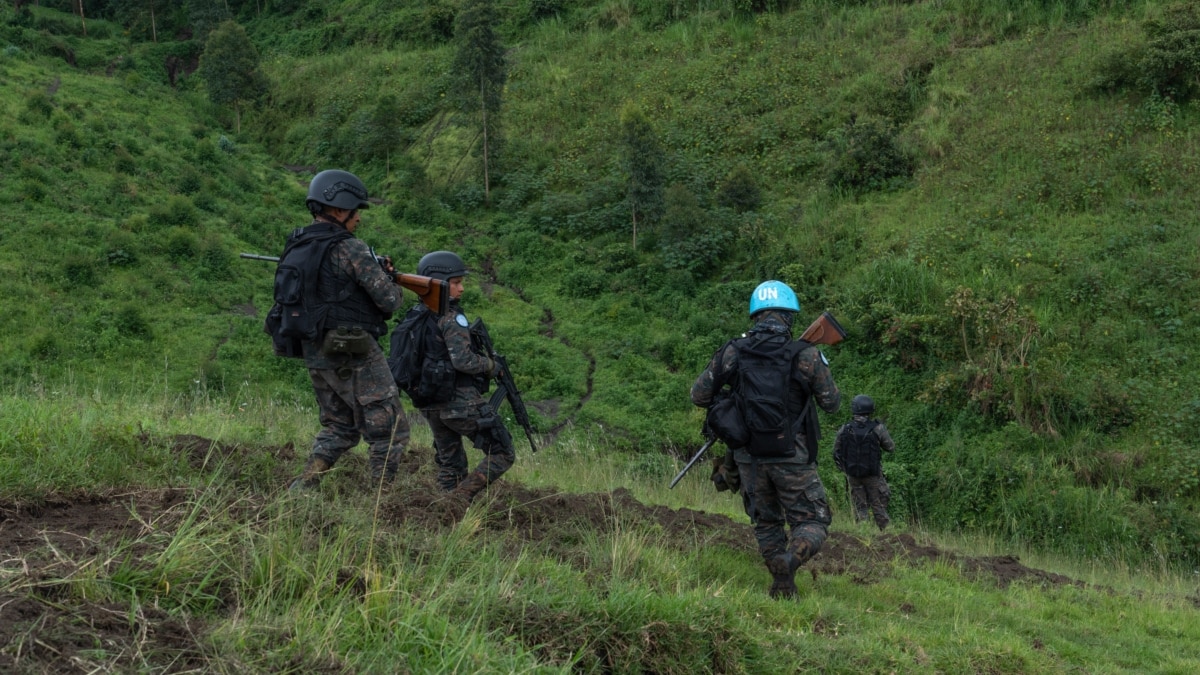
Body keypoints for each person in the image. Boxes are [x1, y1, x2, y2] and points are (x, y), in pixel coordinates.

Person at [691, 280, 841, 600]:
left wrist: (736, 394)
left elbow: (699, 395)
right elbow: (832, 403)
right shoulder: (806, 355)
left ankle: (781, 583)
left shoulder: (733, 351)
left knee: (767, 523)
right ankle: (791, 560)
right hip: (793, 455)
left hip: (749, 458)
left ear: (755, 316)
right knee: (812, 520)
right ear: (789, 316)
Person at [287, 169, 409, 491]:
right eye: (355, 211)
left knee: (340, 425)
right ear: (339, 209)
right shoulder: (351, 248)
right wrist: (392, 280)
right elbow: (390, 301)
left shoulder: (299, 244)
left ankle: (305, 483)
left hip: (313, 350)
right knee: (390, 426)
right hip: (352, 348)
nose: (358, 219)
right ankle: (382, 501)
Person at [408, 250, 514, 500]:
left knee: (451, 465)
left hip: (431, 403)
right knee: (503, 453)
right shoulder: (451, 317)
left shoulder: (416, 316)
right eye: (456, 283)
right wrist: (490, 366)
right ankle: (460, 498)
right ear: (438, 283)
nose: (462, 288)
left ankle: (445, 510)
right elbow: (463, 360)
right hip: (458, 403)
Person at [832, 394, 896, 531]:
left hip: (853, 474)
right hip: (872, 474)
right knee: (878, 503)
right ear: (870, 409)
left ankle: (864, 533)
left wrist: (845, 469)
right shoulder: (877, 428)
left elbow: (836, 451)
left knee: (860, 506)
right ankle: (886, 534)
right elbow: (890, 447)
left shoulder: (845, 428)